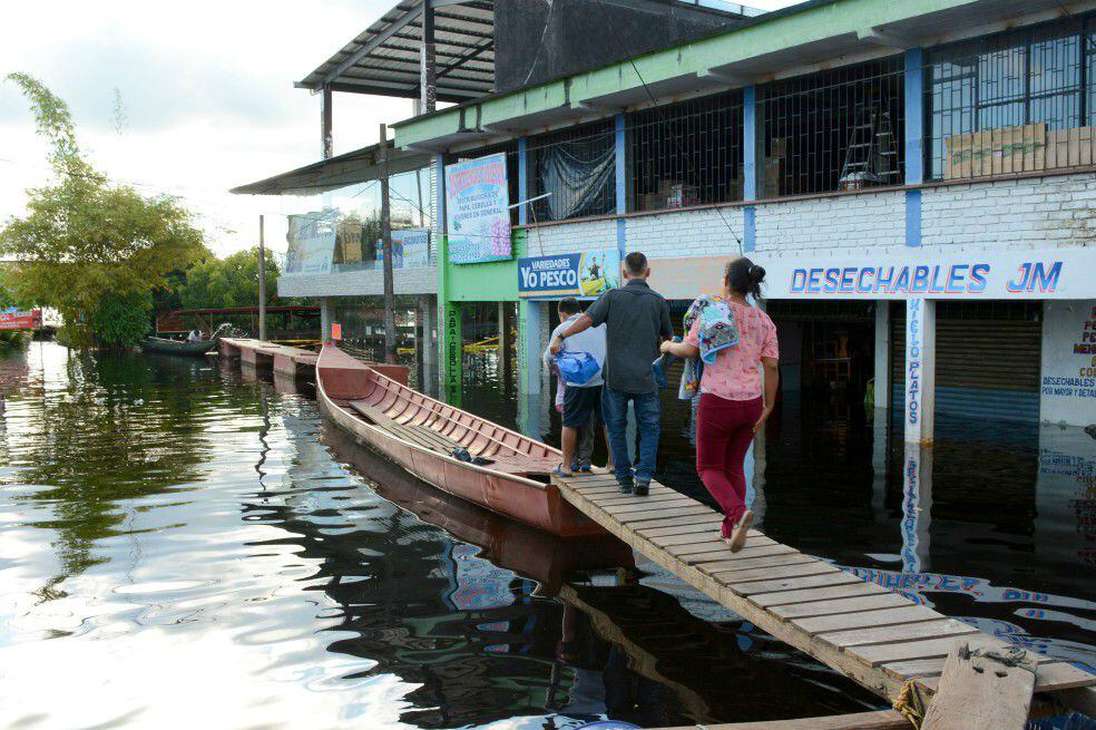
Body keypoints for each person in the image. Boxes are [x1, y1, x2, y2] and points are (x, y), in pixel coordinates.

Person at [660, 257, 779, 552]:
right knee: (733, 466)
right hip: (751, 403)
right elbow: (772, 366)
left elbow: (689, 350)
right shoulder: (764, 321)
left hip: (718, 402)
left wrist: (667, 346)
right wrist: (769, 405)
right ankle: (729, 531)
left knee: (708, 468)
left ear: (727, 281)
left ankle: (738, 516)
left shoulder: (714, 311)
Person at [551, 252, 673, 495]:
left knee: (616, 427)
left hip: (616, 379)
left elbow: (586, 319)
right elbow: (668, 341)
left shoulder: (612, 296)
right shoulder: (659, 301)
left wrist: (562, 335)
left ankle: (624, 479)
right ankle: (644, 477)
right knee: (649, 429)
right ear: (647, 272)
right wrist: (663, 367)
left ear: (625, 273)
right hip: (646, 379)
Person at [544, 297, 607, 477]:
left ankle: (567, 466)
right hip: (601, 381)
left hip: (576, 383)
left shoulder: (561, 329)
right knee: (605, 422)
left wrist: (556, 370)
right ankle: (605, 463)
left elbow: (549, 357)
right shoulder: (600, 325)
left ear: (562, 314)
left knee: (570, 423)